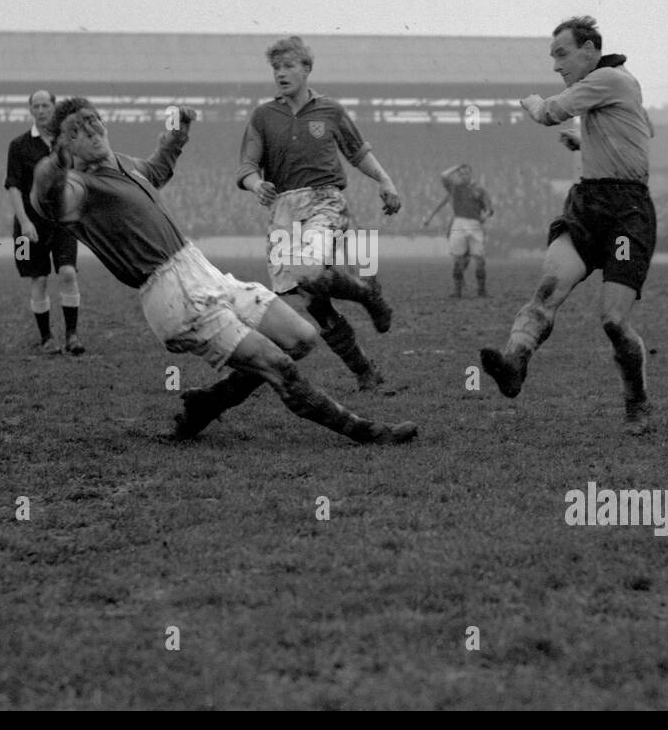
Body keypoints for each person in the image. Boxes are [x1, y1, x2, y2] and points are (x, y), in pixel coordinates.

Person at [31, 97, 417, 445]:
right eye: (77, 132)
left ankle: (208, 403)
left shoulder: (123, 165)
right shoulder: (79, 187)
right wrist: (55, 166)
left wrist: (176, 136)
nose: (92, 132)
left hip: (201, 270)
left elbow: (157, 171)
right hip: (171, 293)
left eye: (94, 121)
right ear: (65, 147)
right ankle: (366, 432)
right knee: (278, 366)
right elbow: (46, 197)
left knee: (301, 339)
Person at [478, 16, 657, 436]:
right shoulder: (616, 85)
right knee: (547, 291)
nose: (556, 65)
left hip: (626, 216)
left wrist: (531, 102)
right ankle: (514, 363)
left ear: (590, 49)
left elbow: (550, 112)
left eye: (562, 54)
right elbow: (643, 128)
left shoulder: (610, 77)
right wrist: (589, 141)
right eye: (553, 57)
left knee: (613, 320)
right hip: (588, 205)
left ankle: (638, 402)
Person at [237, 36, 402, 391]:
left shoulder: (331, 110)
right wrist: (255, 185)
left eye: (289, 66)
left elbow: (357, 153)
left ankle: (369, 296)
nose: (281, 73)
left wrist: (385, 180)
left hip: (323, 200)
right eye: (276, 67)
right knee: (316, 304)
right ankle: (365, 373)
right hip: (283, 211)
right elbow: (247, 167)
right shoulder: (263, 116)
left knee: (312, 272)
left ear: (307, 69)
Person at [5, 90, 84, 354]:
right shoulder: (18, 146)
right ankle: (47, 338)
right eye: (36, 106)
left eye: (45, 105)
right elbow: (13, 188)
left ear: (54, 108)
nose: (41, 110)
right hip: (27, 227)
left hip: (62, 221)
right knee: (38, 279)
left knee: (68, 273)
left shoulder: (67, 142)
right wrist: (25, 222)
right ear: (30, 110)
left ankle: (72, 336)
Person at [422, 163, 493, 297]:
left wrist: (486, 213)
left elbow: (488, 208)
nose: (463, 176)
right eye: (461, 174)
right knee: (458, 259)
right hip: (459, 223)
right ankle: (457, 291)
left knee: (480, 259)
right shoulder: (455, 188)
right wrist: (456, 167)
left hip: (475, 224)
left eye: (466, 173)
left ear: (471, 174)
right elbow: (443, 176)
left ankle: (482, 290)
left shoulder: (480, 190)